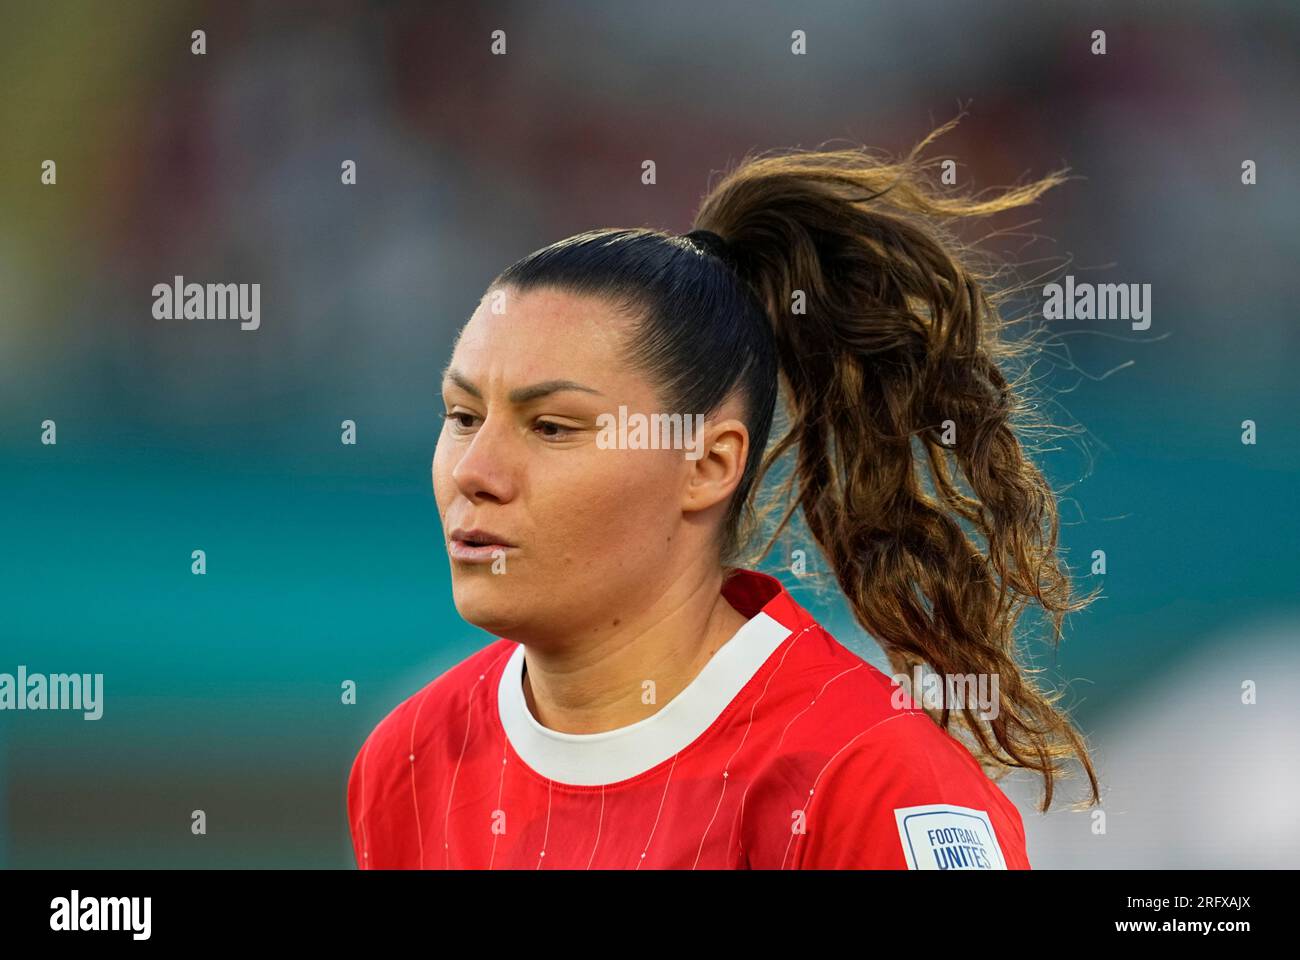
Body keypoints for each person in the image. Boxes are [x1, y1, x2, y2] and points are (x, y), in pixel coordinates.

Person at [347, 119, 1100, 869]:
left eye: (551, 427)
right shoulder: (409, 760)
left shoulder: (870, 782)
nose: (475, 470)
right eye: (463, 416)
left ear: (708, 465)